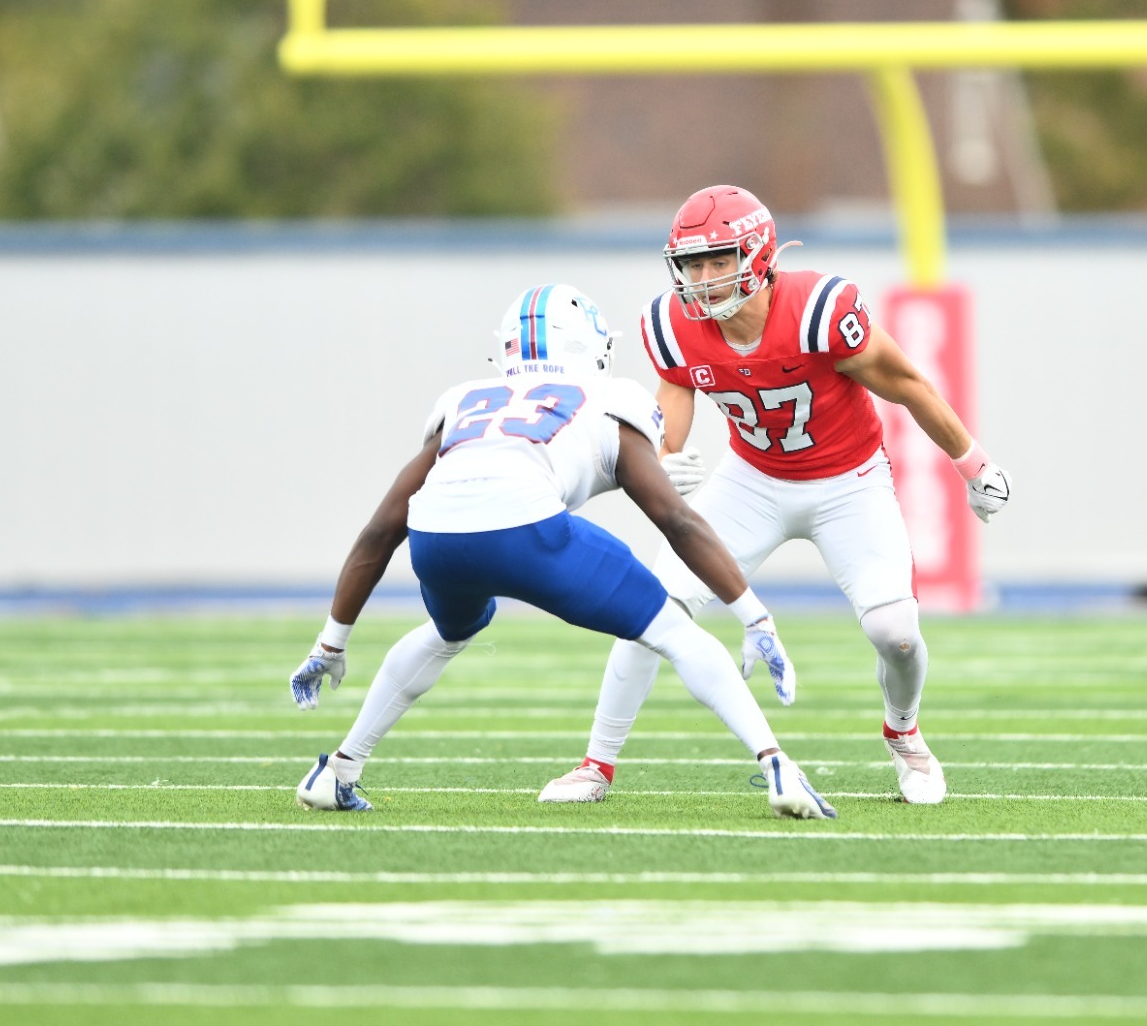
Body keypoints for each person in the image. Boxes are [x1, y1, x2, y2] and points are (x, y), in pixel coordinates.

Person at [287, 283, 835, 821]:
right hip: (525, 529)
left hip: (434, 537)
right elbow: (676, 520)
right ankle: (777, 765)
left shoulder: (464, 399)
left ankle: (338, 770)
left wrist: (332, 641)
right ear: (590, 346)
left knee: (449, 630)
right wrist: (753, 614)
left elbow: (382, 529)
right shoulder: (613, 397)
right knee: (672, 631)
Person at [538, 186, 1010, 808]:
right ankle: (597, 765)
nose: (702, 280)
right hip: (752, 479)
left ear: (757, 255)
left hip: (850, 480)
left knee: (895, 631)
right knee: (651, 609)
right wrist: (663, 461)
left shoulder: (818, 308)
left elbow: (905, 383)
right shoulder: (674, 323)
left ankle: (904, 733)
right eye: (692, 264)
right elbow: (673, 406)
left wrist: (970, 461)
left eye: (718, 261)